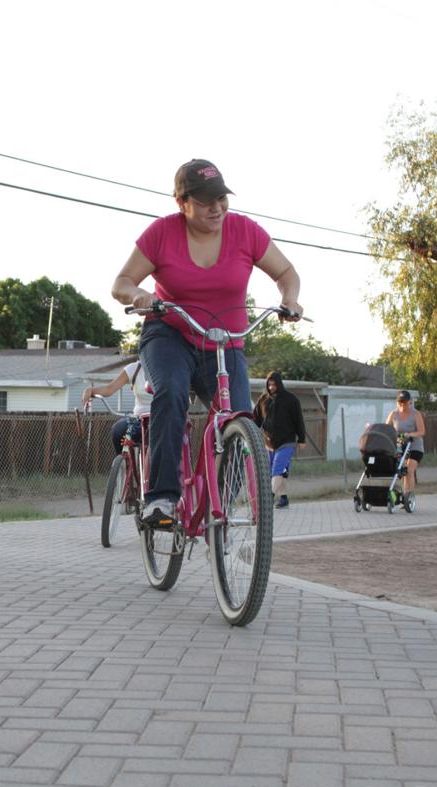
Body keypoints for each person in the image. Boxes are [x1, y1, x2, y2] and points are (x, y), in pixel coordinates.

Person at [111, 158, 303, 528]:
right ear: (181, 202)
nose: (216, 208)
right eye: (204, 201)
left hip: (224, 344)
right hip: (170, 335)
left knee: (241, 420)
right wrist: (139, 295)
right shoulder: (162, 233)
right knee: (170, 392)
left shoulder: (245, 231)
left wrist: (290, 299)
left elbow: (286, 272)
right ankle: (162, 499)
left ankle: (220, 508)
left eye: (221, 198)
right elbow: (121, 283)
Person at [253, 371, 307, 509]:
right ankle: (284, 498)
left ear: (279, 384)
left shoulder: (291, 399)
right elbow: (256, 419)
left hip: (286, 442)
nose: (271, 387)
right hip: (269, 443)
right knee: (278, 471)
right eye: (269, 385)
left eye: (274, 384)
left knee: (276, 470)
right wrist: (251, 434)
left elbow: (298, 420)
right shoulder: (263, 399)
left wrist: (301, 439)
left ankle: (267, 499)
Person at [81, 359, 153, 454]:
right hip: (138, 420)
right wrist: (90, 391)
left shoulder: (169, 368)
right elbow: (109, 389)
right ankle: (123, 460)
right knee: (118, 430)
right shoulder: (135, 369)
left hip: (163, 418)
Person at [385, 390, 424, 505]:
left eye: (405, 403)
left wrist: (410, 434)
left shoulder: (415, 414)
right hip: (400, 447)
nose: (402, 405)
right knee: (401, 471)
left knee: (409, 469)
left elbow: (422, 432)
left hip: (414, 446)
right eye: (400, 402)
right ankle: (404, 493)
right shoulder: (393, 414)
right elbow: (386, 428)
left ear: (409, 402)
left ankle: (408, 497)